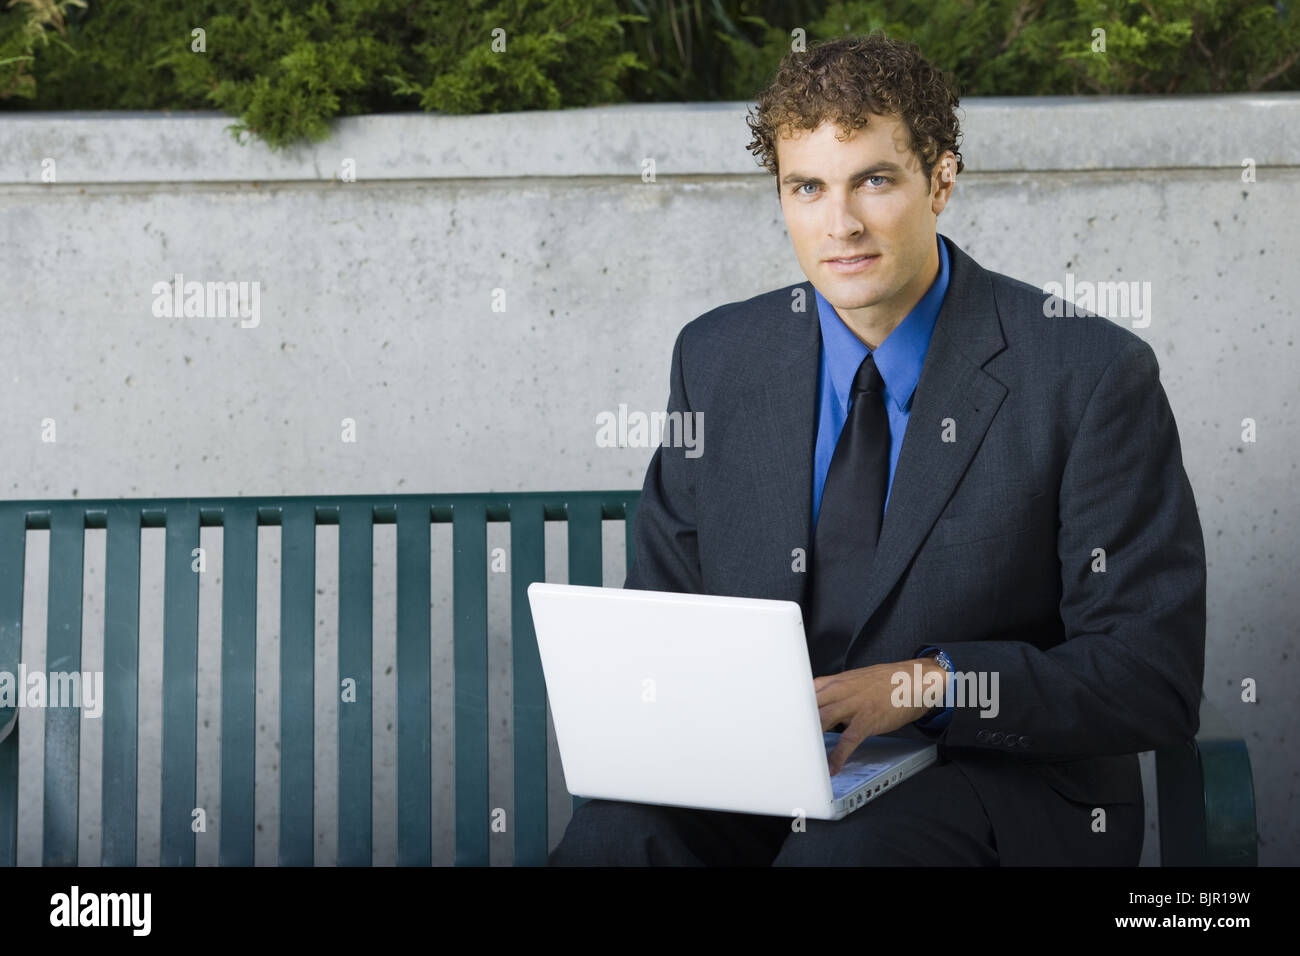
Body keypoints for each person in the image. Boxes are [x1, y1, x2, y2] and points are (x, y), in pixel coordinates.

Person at [548, 32, 1206, 866]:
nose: (841, 223)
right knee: (614, 840)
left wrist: (925, 686)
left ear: (942, 179)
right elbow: (666, 617)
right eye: (808, 187)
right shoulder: (717, 359)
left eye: (875, 180)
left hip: (992, 779)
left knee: (845, 857)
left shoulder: (1089, 372)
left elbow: (1151, 674)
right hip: (760, 778)